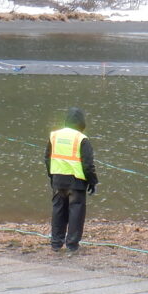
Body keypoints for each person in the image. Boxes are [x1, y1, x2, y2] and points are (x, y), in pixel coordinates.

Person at [45, 107, 97, 253]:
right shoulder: (82, 139)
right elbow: (88, 165)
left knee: (58, 210)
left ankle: (56, 243)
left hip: (58, 179)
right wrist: (93, 182)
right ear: (82, 123)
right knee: (76, 212)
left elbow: (47, 159)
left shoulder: (54, 136)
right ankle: (72, 245)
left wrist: (52, 176)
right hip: (76, 182)